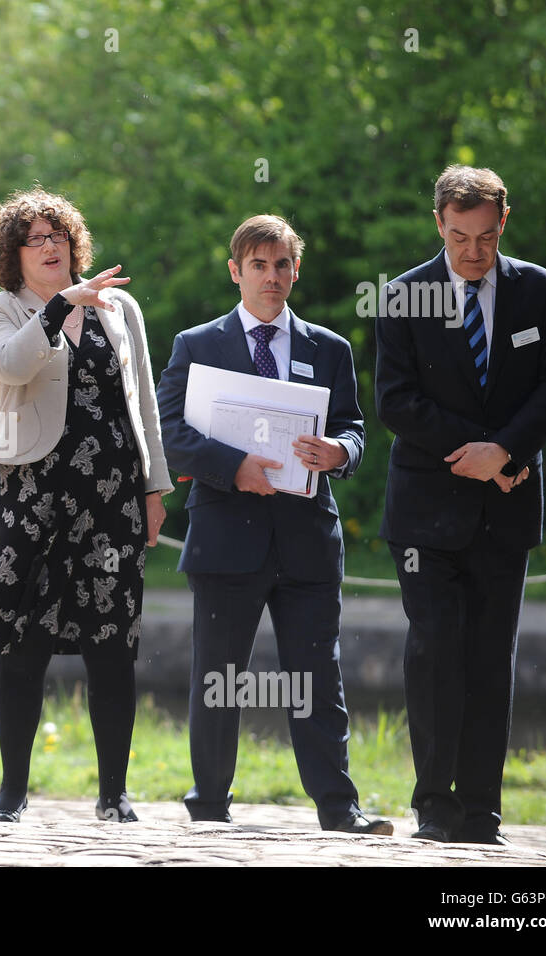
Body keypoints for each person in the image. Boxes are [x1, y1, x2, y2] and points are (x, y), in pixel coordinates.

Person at [155, 214, 391, 834]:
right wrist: (234, 468)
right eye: (258, 265)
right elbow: (169, 435)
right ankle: (208, 805)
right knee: (219, 678)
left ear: (295, 269)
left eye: (282, 264)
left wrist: (340, 452)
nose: (272, 276)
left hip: (308, 541)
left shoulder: (329, 348)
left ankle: (340, 811)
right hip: (226, 537)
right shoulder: (196, 345)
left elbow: (354, 430)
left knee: (318, 679)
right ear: (235, 272)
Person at [375, 166, 546, 844]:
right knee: (436, 655)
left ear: (504, 223)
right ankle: (434, 805)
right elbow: (395, 400)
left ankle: (483, 810)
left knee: (492, 658)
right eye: (460, 237)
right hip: (426, 512)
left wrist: (508, 455)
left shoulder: (538, 290)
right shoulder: (403, 295)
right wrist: (480, 452)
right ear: (439, 223)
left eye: (486, 238)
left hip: (508, 505)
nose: (472, 252)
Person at [0, 189, 170, 823]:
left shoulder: (120, 306)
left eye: (57, 235)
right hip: (33, 496)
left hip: (112, 498)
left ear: (74, 244)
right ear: (14, 255)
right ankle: (11, 793)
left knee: (112, 642)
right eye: (35, 239)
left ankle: (114, 795)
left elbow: (144, 405)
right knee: (23, 644)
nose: (49, 246)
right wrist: (58, 308)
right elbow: (9, 365)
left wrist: (154, 487)